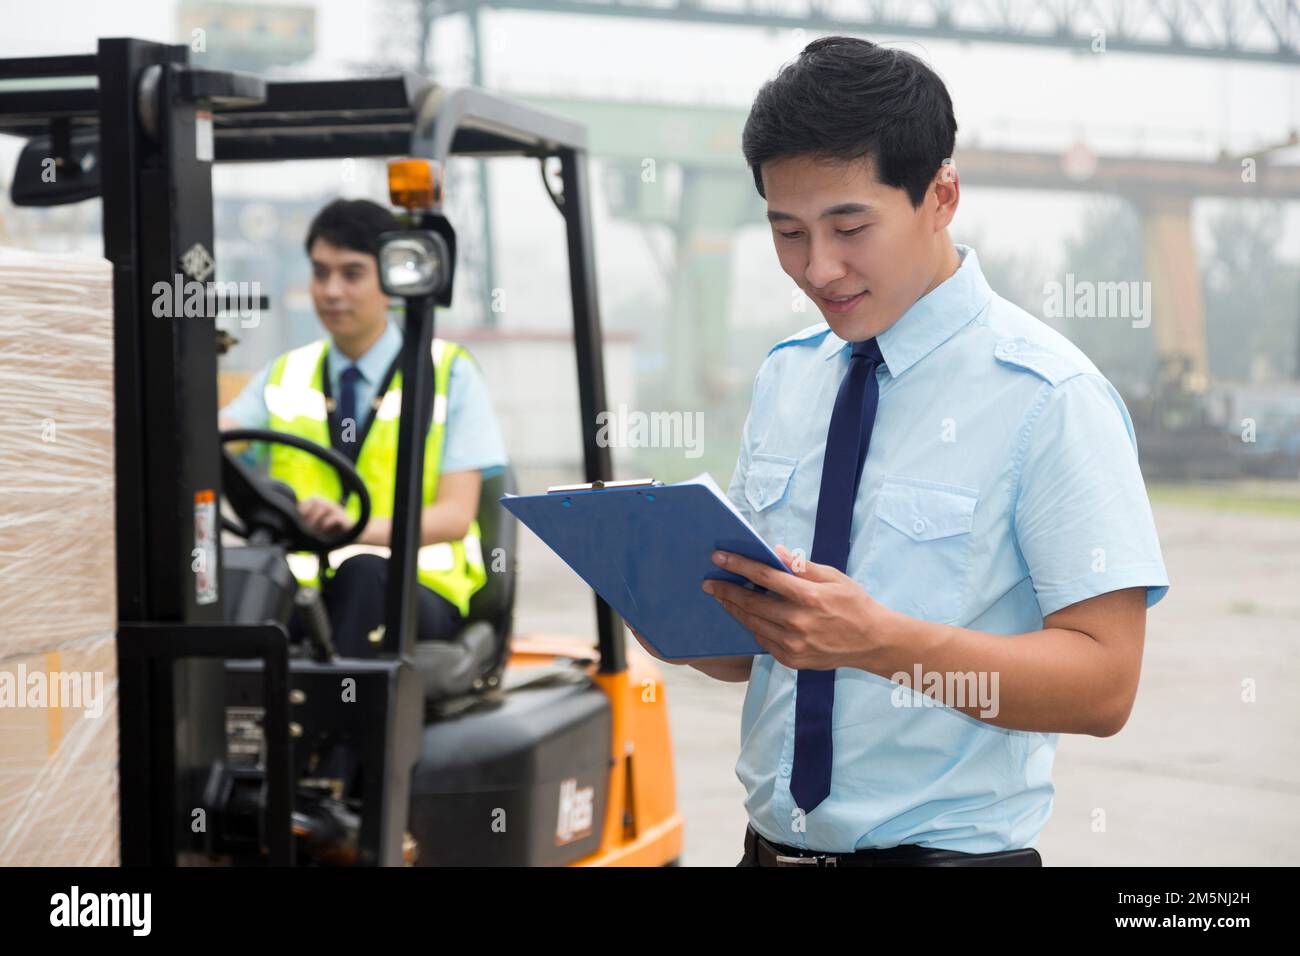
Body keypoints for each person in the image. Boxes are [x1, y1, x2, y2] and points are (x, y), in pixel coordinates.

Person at [632, 37, 1169, 867]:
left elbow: (1104, 686)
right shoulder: (789, 378)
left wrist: (879, 641)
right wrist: (665, 601)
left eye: (850, 227)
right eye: (787, 232)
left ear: (941, 194)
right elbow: (751, 658)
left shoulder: (1049, 398)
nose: (819, 267)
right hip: (764, 852)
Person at [219, 198, 508, 656]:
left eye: (351, 274)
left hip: (416, 588)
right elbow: (216, 442)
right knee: (222, 583)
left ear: (391, 280)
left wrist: (354, 528)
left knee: (364, 576)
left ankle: (338, 720)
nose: (331, 291)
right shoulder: (285, 374)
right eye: (320, 272)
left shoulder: (447, 373)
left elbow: (455, 516)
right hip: (309, 586)